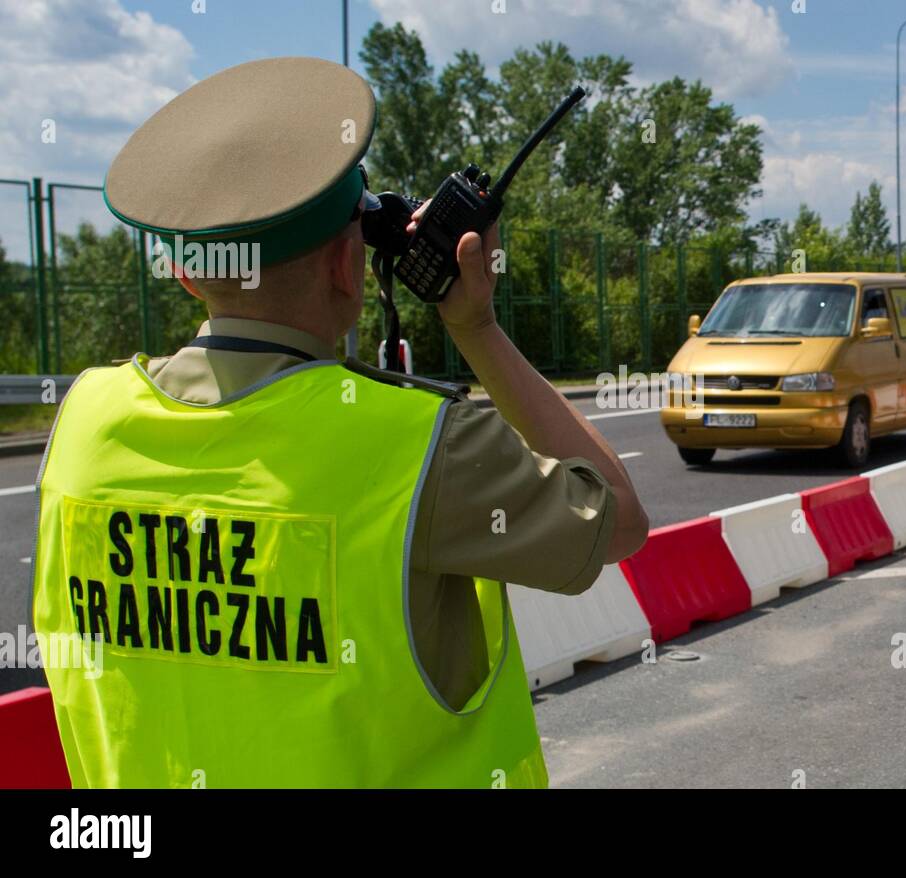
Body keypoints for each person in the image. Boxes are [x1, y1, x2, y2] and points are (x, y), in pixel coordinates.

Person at [30, 57, 648, 789]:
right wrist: (477, 328)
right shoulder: (421, 447)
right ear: (348, 268)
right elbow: (618, 522)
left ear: (190, 274)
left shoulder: (84, 423)